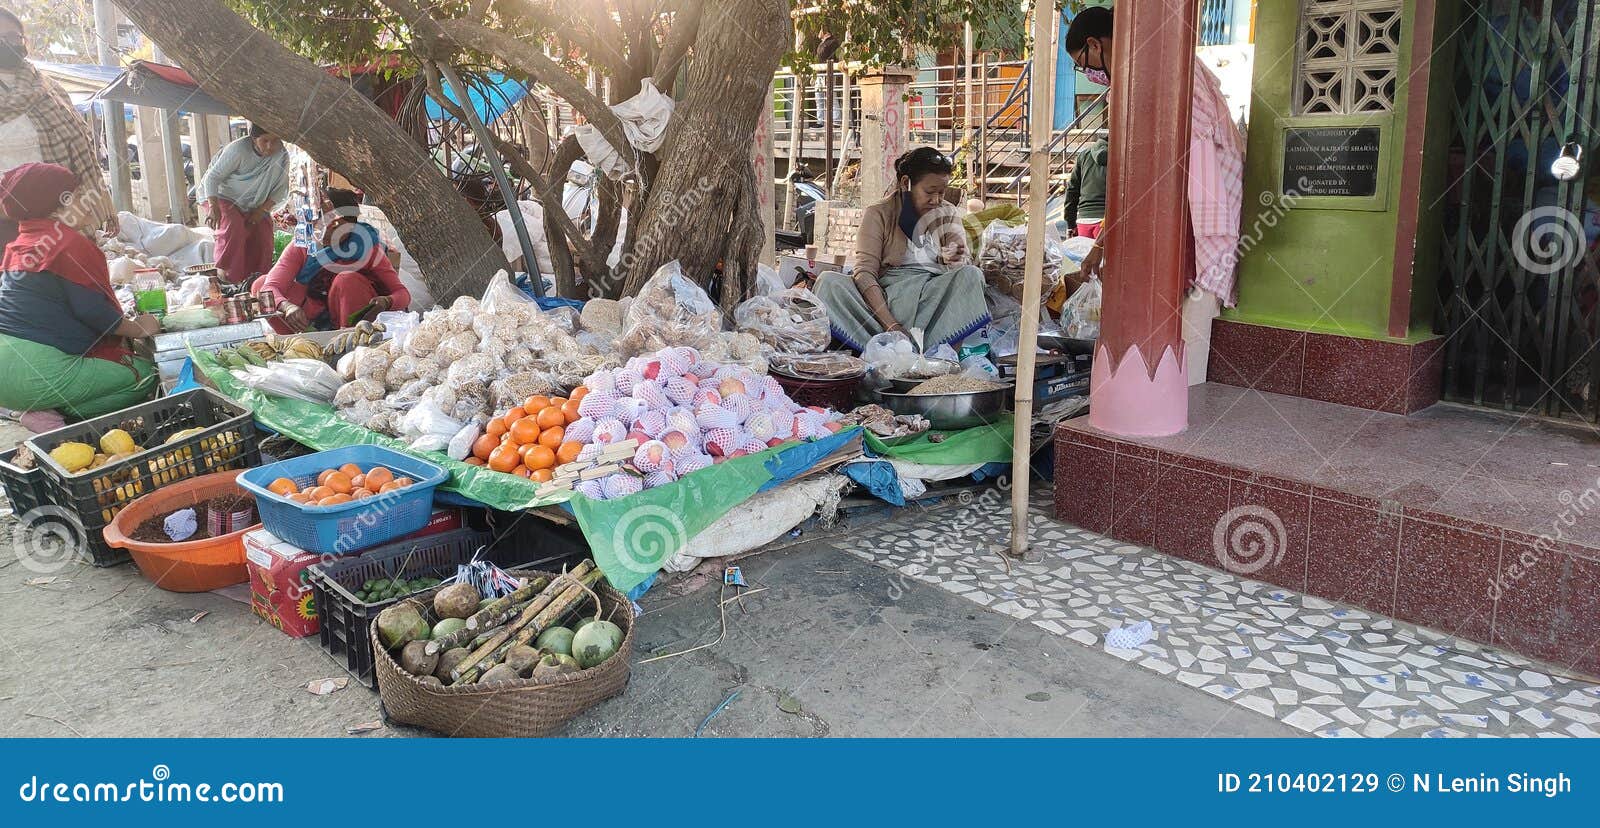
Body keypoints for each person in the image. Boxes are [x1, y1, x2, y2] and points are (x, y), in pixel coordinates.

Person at [1065, 6, 1243, 384]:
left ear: (1095, 44)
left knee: (1189, 309)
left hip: (1194, 211)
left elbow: (1149, 171)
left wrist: (1106, 242)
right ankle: (1165, 391)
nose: (1089, 74)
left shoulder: (1157, 70)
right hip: (1187, 209)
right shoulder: (1160, 69)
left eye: (1083, 63)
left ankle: (1181, 394)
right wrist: (1102, 244)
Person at [0, 163, 158, 428]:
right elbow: (92, 312)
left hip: (7, 376)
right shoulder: (68, 243)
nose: (87, 202)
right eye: (75, 196)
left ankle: (38, 408)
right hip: (35, 374)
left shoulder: (18, 243)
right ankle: (55, 414)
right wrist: (140, 328)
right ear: (55, 206)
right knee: (146, 375)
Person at [813, 147, 990, 352]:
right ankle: (883, 348)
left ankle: (941, 355)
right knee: (829, 282)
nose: (936, 200)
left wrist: (954, 258)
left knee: (971, 275)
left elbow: (961, 259)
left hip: (931, 300)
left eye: (941, 192)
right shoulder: (878, 213)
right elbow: (864, 273)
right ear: (906, 183)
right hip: (885, 300)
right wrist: (892, 325)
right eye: (929, 192)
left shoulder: (947, 213)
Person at [0, 8, 113, 246]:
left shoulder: (49, 87)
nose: (6, 44)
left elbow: (82, 147)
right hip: (8, 226)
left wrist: (97, 201)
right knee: (20, 280)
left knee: (72, 276)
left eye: (12, 37)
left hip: (65, 215)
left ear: (24, 40)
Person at [255, 186, 409, 333]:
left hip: (352, 315)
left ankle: (348, 342)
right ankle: (298, 343)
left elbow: (401, 294)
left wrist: (387, 301)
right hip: (314, 315)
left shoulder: (366, 246)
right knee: (261, 285)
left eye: (335, 226)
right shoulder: (304, 244)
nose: (325, 232)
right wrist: (287, 306)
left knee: (346, 279)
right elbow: (270, 287)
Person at [199, 123, 289, 284]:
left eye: (275, 140)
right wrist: (213, 207)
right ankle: (228, 279)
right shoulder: (238, 150)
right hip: (221, 196)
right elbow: (212, 178)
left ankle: (257, 282)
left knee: (263, 231)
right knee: (233, 227)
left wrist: (261, 211)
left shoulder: (281, 155)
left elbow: (281, 188)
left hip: (255, 203)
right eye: (265, 141)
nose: (270, 146)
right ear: (254, 139)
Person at [1063, 137, 1108, 240]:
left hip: (1083, 220)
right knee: (1106, 256)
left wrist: (1070, 222)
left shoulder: (1083, 155)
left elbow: (1072, 190)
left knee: (1084, 255)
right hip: (1105, 220)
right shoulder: (1119, 155)